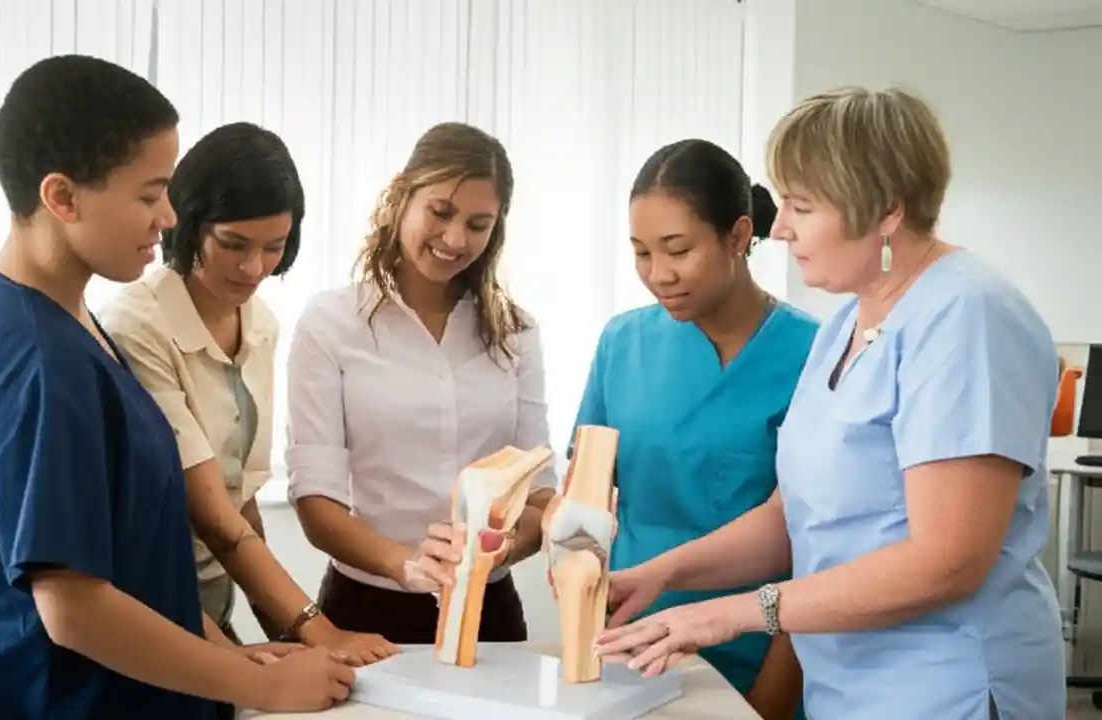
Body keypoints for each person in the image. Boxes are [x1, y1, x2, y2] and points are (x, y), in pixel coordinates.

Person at [593, 86, 1067, 720]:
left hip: (947, 689)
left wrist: (734, 613)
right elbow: (794, 515)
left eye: (802, 205)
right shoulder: (846, 326)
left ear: (888, 211)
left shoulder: (967, 316)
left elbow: (947, 561)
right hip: (848, 688)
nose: (779, 226)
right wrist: (660, 574)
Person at [0, 55, 353, 719]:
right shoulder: (38, 357)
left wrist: (230, 657)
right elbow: (73, 608)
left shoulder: (75, 324)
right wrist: (258, 687)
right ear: (62, 197)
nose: (166, 218)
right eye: (150, 194)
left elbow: (138, 562)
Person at [100, 121, 397, 680]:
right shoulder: (136, 325)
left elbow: (241, 502)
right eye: (233, 244)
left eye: (273, 247)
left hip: (215, 612)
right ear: (186, 225)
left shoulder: (260, 323)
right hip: (153, 610)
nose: (254, 268)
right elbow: (209, 514)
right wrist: (318, 627)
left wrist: (290, 635)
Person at [568, 139, 814, 719]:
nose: (658, 275)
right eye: (641, 253)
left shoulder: (816, 354)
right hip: (632, 656)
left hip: (764, 655)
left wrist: (773, 697)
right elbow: (585, 493)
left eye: (678, 250)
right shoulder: (621, 344)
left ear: (738, 236)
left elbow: (821, 548)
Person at [286, 121, 556, 643]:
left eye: (478, 224)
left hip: (490, 611)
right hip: (364, 609)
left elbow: (540, 493)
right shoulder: (331, 324)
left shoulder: (516, 333)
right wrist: (407, 564)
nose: (455, 239)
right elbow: (316, 503)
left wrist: (504, 546)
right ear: (401, 196)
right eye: (440, 212)